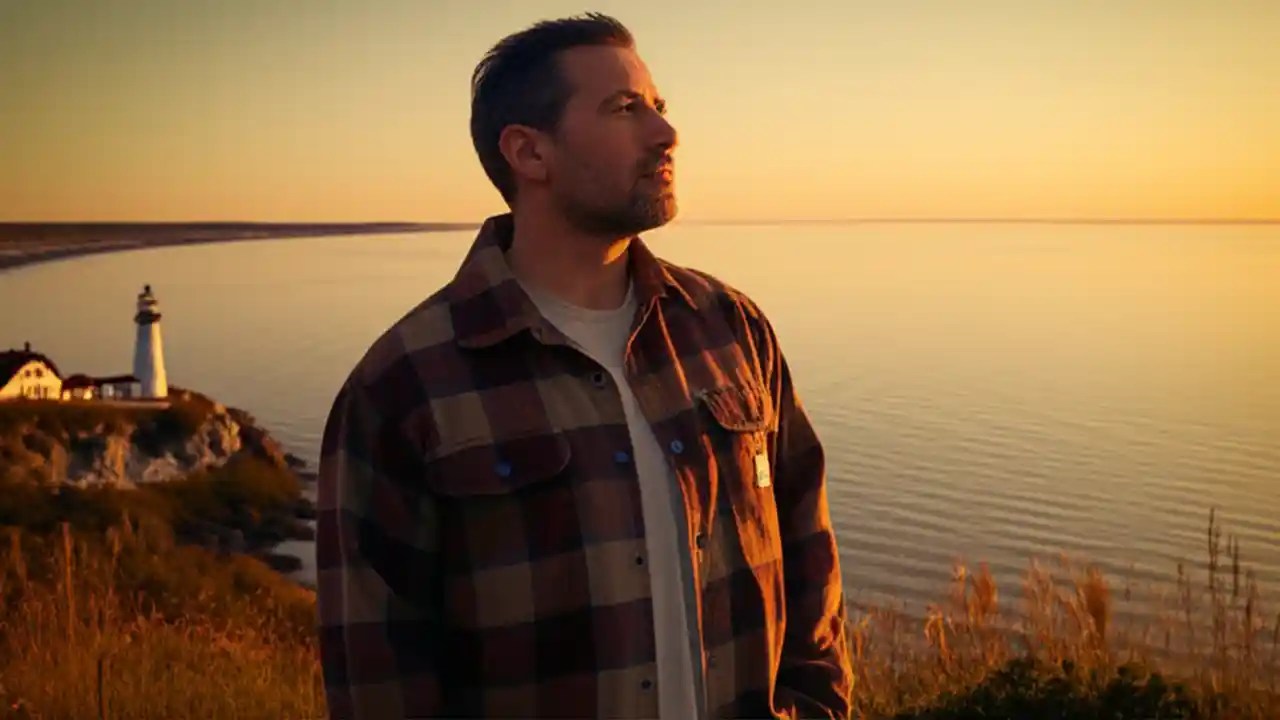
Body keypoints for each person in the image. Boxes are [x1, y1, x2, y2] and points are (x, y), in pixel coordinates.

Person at [316, 12, 853, 719]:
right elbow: (378, 678)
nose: (667, 133)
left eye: (658, 108)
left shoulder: (731, 331)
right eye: (625, 109)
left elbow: (811, 565)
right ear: (529, 153)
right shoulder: (406, 385)